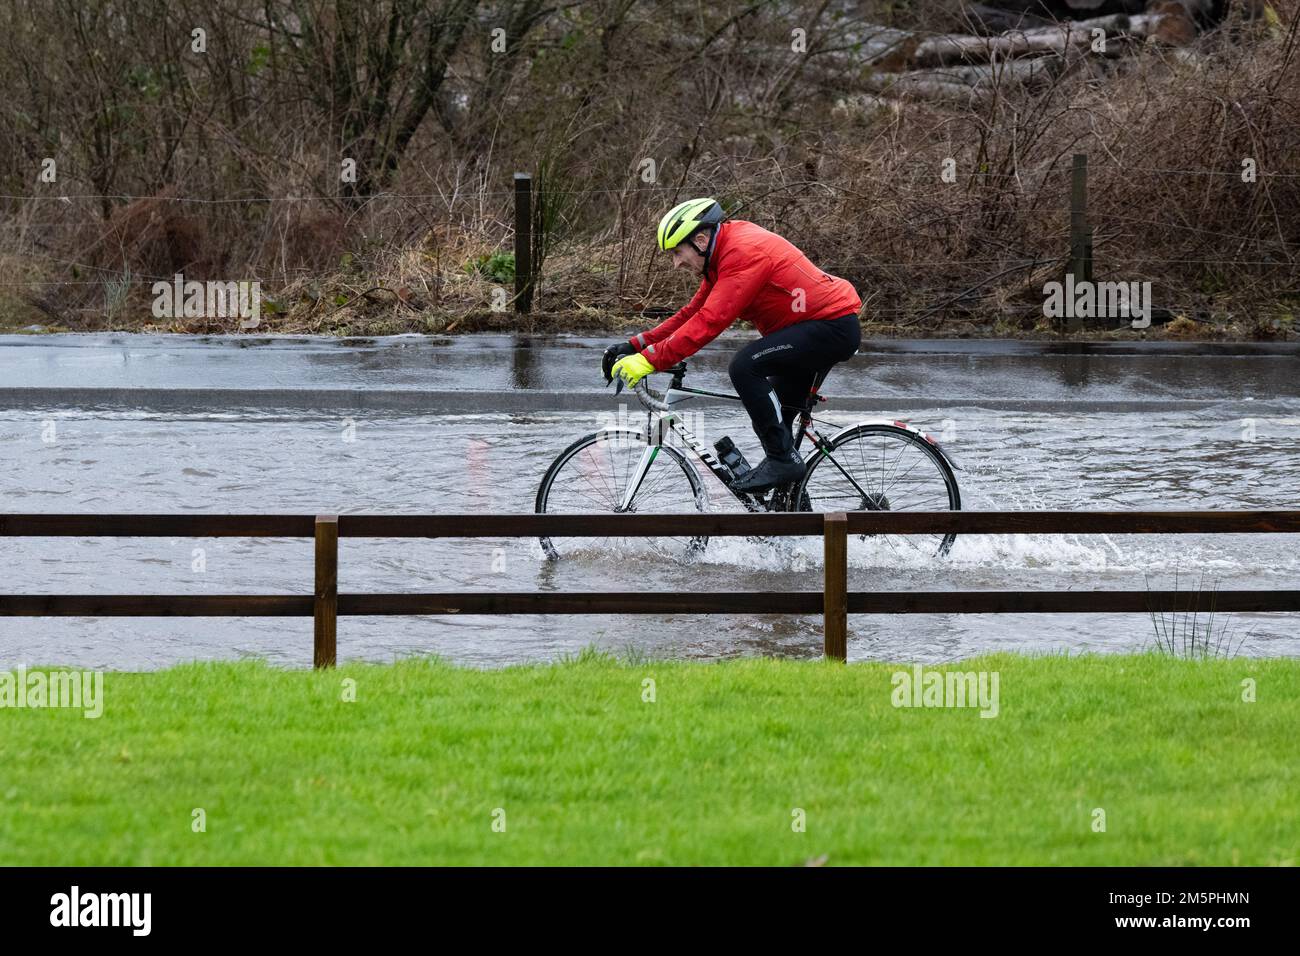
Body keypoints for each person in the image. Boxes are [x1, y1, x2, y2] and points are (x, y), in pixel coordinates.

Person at [606, 197, 862, 492]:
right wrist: (636, 345)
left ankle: (783, 463)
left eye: (678, 252)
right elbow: (693, 313)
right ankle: (791, 511)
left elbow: (710, 322)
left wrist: (650, 361)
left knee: (744, 367)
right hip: (810, 328)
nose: (676, 263)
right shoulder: (721, 256)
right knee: (771, 419)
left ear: (701, 240)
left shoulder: (742, 253)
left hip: (831, 326)